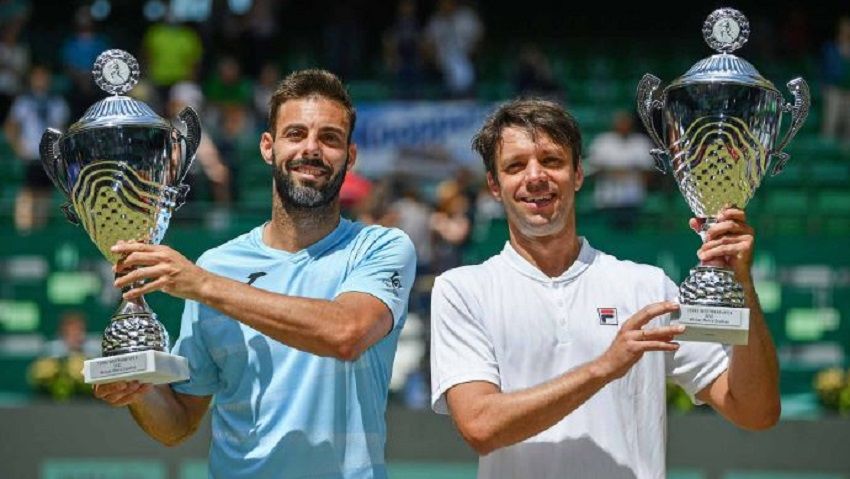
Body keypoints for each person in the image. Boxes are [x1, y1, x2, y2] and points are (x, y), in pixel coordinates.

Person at [429, 98, 779, 478]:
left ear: (578, 174)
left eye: (551, 160)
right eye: (515, 166)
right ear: (495, 186)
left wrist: (740, 288)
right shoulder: (462, 289)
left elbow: (754, 410)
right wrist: (603, 367)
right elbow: (480, 427)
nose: (535, 177)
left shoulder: (648, 287)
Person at [93, 69, 417, 479]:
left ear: (350, 157)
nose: (311, 149)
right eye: (296, 134)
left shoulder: (381, 248)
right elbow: (179, 423)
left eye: (330, 138)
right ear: (268, 146)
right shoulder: (216, 266)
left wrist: (204, 286)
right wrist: (137, 391)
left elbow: (346, 334)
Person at [4, 65, 69, 232]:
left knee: (44, 194)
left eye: (44, 77)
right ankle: (24, 232)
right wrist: (19, 148)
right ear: (32, 79)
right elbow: (11, 127)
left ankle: (39, 231)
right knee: (27, 193)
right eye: (38, 77)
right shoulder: (24, 101)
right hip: (30, 154)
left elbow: (61, 128)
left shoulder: (56, 102)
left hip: (48, 156)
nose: (41, 80)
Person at [585, 110, 655, 230]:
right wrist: (619, 171)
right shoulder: (602, 141)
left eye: (626, 123)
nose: (623, 126)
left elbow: (650, 172)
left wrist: (621, 171)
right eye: (620, 122)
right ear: (614, 124)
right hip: (606, 198)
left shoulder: (641, 142)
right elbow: (591, 169)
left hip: (633, 197)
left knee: (631, 236)